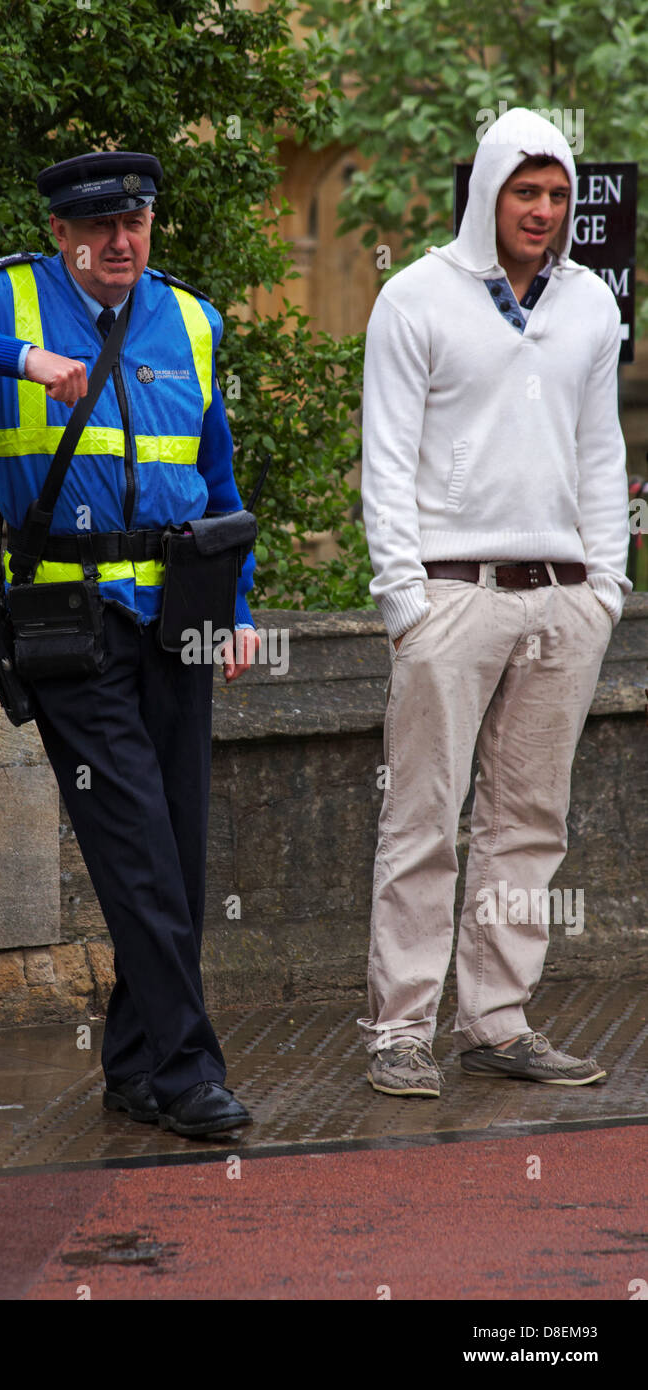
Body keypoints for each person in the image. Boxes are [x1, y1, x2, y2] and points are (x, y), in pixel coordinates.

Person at [0, 151, 259, 1137]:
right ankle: (187, 1072)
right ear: (60, 232)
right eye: (97, 227)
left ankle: (136, 1067)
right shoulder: (6, 296)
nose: (119, 242)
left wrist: (240, 606)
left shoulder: (189, 318)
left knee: (173, 852)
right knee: (136, 844)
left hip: (180, 613)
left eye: (134, 221)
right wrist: (22, 362)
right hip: (69, 620)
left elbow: (216, 483)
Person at [358, 107, 631, 1097]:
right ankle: (397, 1029)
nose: (544, 211)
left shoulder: (589, 305)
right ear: (485, 193)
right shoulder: (413, 298)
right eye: (526, 192)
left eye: (556, 195)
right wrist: (404, 601)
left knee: (527, 819)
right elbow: (383, 462)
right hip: (450, 596)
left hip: (561, 601)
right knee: (421, 817)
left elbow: (600, 451)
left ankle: (495, 1020)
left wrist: (605, 586)